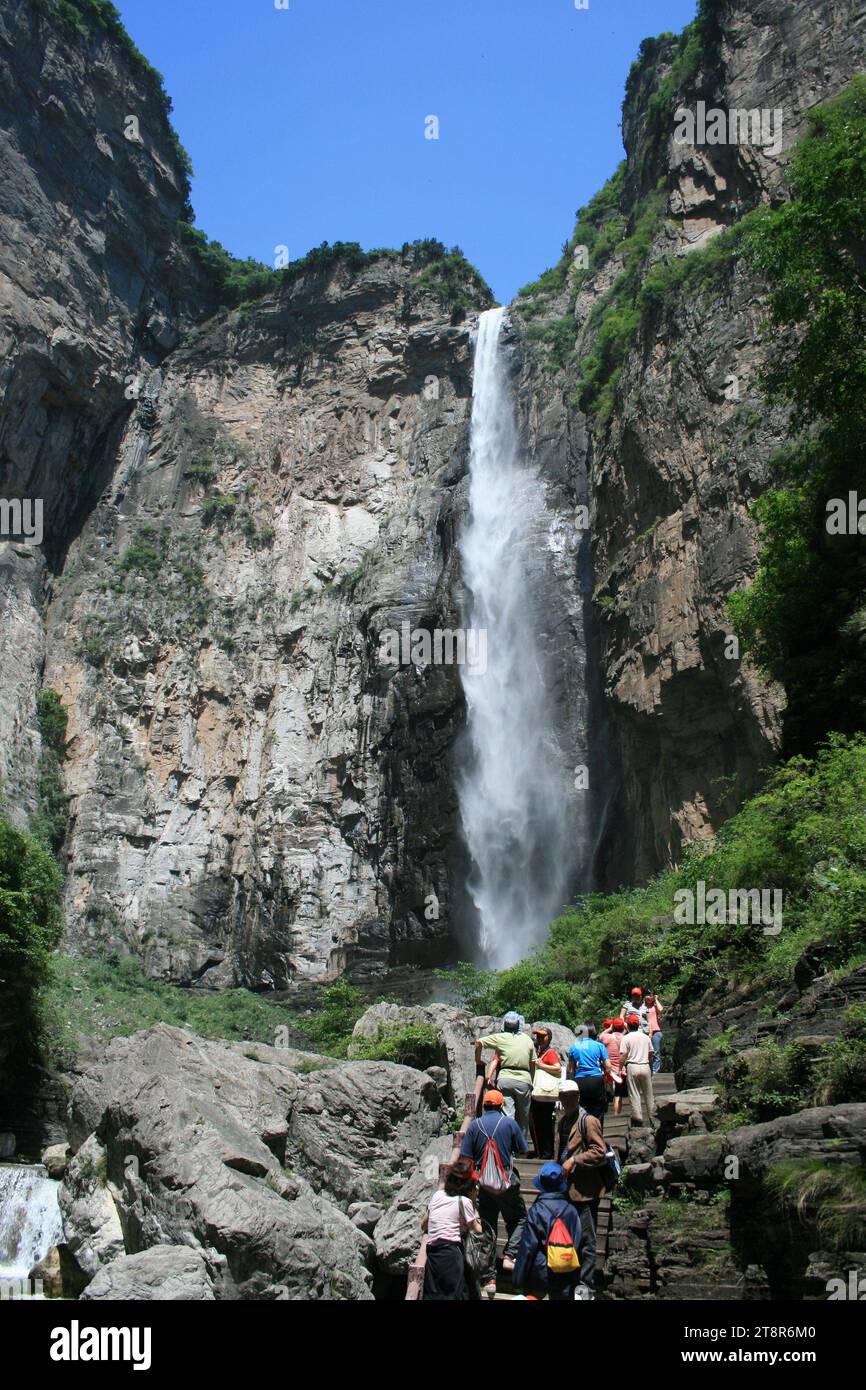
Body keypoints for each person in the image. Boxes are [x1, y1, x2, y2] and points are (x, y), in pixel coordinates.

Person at [459, 1088, 528, 1297]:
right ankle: (510, 1254)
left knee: (487, 1229)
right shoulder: (509, 1123)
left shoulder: (475, 1125)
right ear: (500, 1105)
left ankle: (490, 1279)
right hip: (507, 1184)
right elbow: (523, 1149)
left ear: (484, 1106)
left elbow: (465, 1156)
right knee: (519, 1218)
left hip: (483, 1186)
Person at [555, 1079, 608, 1299]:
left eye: (571, 1096)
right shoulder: (562, 1121)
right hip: (565, 1189)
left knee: (587, 1239)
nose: (567, 1100)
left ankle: (586, 1288)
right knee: (570, 1239)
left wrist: (575, 1160)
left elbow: (599, 1151)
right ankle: (572, 1281)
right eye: (563, 1096)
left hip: (585, 1191)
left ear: (578, 1097)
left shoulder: (589, 1121)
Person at [511, 1162, 583, 1301]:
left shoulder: (537, 1210)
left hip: (540, 1272)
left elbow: (527, 1247)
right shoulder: (572, 1210)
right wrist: (576, 1278)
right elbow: (578, 1244)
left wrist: (518, 1278)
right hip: (565, 1269)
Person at [422, 1157, 483, 1300]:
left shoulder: (437, 1195)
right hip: (451, 1252)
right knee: (454, 1295)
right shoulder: (465, 1202)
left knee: (433, 1295)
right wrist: (474, 1204)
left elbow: (424, 1224)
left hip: (432, 1252)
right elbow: (478, 1230)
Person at [474, 1012, 535, 1138]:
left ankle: (508, 1145)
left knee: (507, 1114)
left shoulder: (500, 1038)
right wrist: (532, 1081)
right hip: (524, 1079)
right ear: (519, 1024)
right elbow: (533, 1063)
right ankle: (521, 1146)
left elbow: (478, 1042)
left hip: (505, 1079)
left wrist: (478, 1060)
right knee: (523, 1116)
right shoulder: (528, 1040)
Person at [566, 1023, 611, 1123]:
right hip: (596, 1080)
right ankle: (597, 1135)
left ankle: (583, 1134)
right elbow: (608, 1066)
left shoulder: (574, 1047)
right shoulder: (599, 1046)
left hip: (580, 1081)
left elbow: (570, 1070)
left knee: (582, 1111)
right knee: (598, 1111)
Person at [529, 1024, 561, 1158]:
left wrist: (541, 1065)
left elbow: (557, 1068)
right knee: (539, 1122)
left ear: (549, 1038)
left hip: (546, 1094)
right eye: (538, 1036)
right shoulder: (540, 1051)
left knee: (545, 1123)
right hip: (540, 1093)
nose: (539, 1038)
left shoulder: (550, 1052)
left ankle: (546, 1152)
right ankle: (542, 1151)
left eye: (542, 1036)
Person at [620, 1012, 657, 1125]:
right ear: (638, 1024)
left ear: (628, 1026)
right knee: (649, 1095)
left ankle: (638, 1119)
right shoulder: (646, 1037)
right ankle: (653, 1119)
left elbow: (623, 1055)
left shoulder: (626, 1038)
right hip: (645, 1065)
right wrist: (650, 1068)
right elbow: (651, 1054)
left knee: (634, 1094)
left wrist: (620, 1067)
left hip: (632, 1066)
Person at [600, 1016, 627, 1116]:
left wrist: (609, 1029)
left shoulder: (606, 1037)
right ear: (623, 1028)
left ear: (613, 1026)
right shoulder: (625, 1038)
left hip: (608, 1070)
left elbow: (600, 1035)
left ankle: (605, 1113)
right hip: (620, 1071)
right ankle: (617, 1114)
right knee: (618, 1095)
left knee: (606, 1092)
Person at [645, 991, 664, 1074]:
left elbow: (661, 1010)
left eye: (651, 996)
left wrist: (656, 999)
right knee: (646, 1053)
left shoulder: (655, 1006)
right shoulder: (643, 1007)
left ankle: (655, 1070)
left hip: (656, 1031)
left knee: (655, 1051)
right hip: (645, 1031)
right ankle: (648, 1070)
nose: (650, 997)